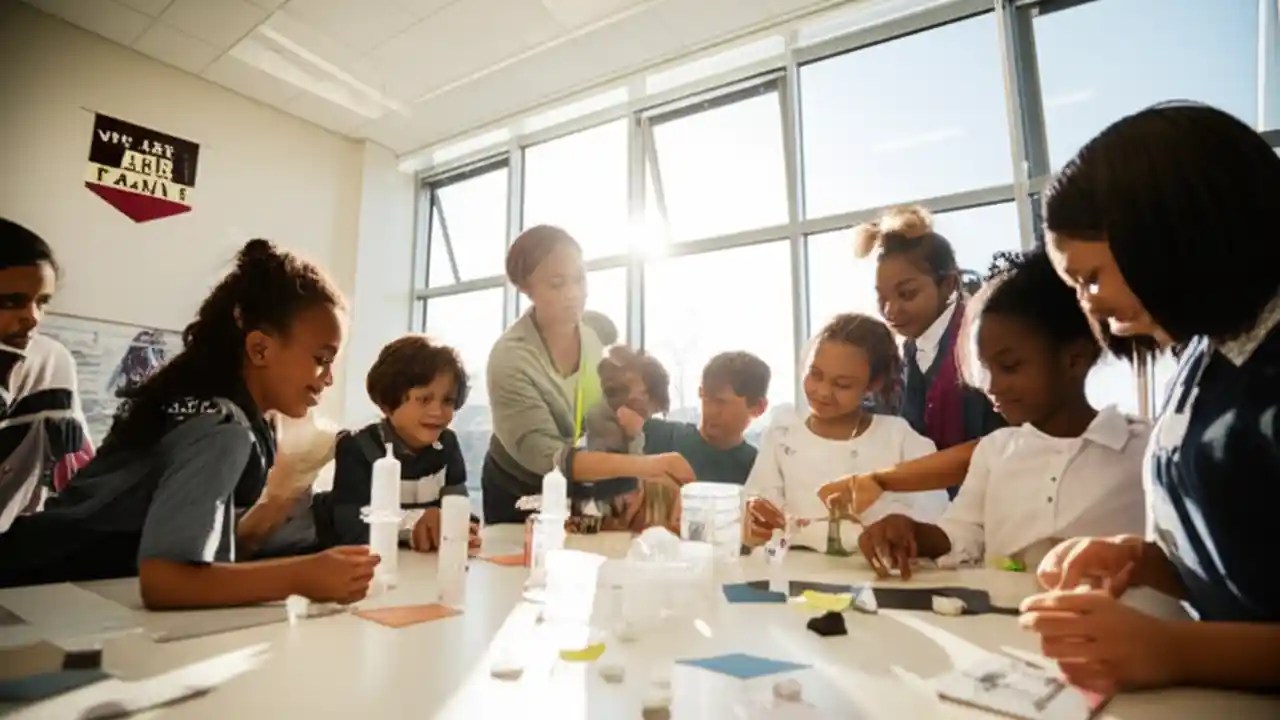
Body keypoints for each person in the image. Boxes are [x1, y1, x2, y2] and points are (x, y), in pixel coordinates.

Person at [1017, 103, 1280, 693]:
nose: (1091, 307)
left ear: (1174, 237)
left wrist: (1174, 650)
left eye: (1091, 278)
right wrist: (1142, 560)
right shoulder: (1203, 355)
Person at [0, 240, 378, 609]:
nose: (328, 379)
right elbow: (166, 581)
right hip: (34, 594)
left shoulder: (197, 403)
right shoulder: (223, 429)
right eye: (321, 358)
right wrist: (303, 577)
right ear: (259, 348)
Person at [857, 249, 1149, 576]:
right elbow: (963, 531)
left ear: (1075, 359)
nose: (992, 385)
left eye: (1009, 367)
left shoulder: (1143, 451)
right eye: (986, 368)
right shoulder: (995, 451)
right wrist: (912, 532)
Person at [482, 225, 694, 524]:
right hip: (519, 485)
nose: (573, 294)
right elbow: (547, 458)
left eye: (579, 279)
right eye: (557, 284)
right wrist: (645, 466)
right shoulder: (510, 360)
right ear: (526, 287)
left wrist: (630, 480)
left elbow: (606, 421)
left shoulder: (594, 339)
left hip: (577, 477)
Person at [744, 314, 948, 554]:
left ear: (873, 384)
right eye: (815, 374)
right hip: (797, 575)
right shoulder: (783, 433)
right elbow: (758, 510)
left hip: (878, 577)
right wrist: (754, 521)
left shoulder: (897, 437)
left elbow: (936, 516)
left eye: (842, 384)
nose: (823, 392)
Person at [856, 206, 1002, 496]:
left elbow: (998, 443)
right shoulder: (905, 355)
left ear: (948, 284)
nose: (890, 310)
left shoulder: (982, 342)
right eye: (881, 297)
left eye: (906, 294)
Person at [329, 335, 480, 553]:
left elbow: (458, 504)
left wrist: (463, 524)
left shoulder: (447, 444)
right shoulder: (356, 447)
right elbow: (350, 526)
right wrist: (414, 525)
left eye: (448, 401)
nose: (437, 412)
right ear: (388, 402)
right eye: (424, 399)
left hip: (424, 567)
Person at [0, 219, 94, 533]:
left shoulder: (53, 361)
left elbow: (75, 466)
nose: (33, 317)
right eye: (10, 302)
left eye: (42, 302)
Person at [635, 351, 769, 486]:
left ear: (758, 407)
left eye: (721, 402)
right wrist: (652, 465)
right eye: (705, 398)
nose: (710, 411)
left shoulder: (760, 470)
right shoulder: (659, 436)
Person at [585, 345, 670, 455]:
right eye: (645, 412)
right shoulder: (604, 421)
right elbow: (629, 470)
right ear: (642, 394)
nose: (645, 418)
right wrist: (636, 436)